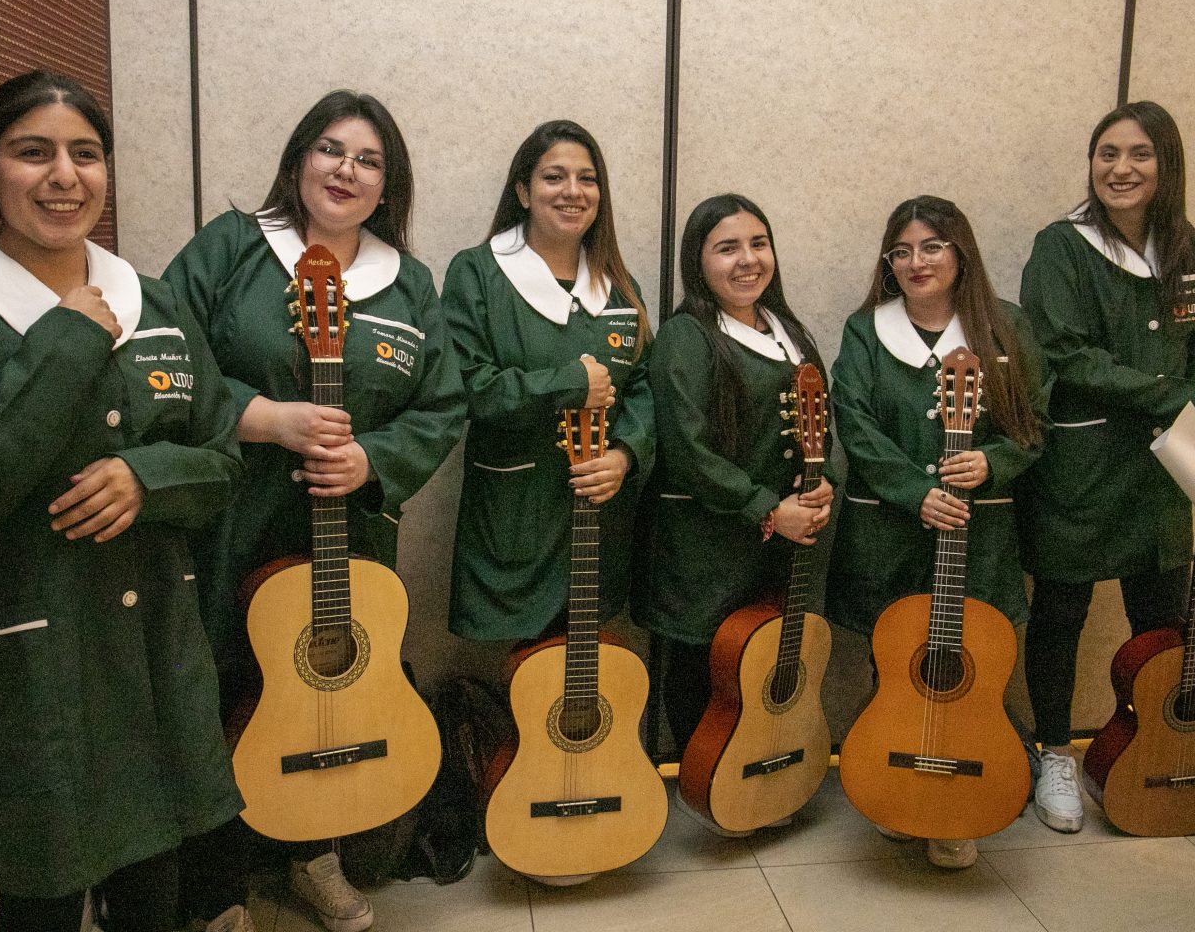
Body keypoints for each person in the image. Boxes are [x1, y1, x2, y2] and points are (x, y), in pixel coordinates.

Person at [0, 71, 253, 932]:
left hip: (158, 645)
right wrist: (67, 338)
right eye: (31, 152)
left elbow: (223, 456)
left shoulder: (152, 298)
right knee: (43, 895)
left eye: (85, 155)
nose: (64, 176)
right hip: (30, 659)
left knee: (156, 885)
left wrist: (147, 479)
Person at [162, 90, 464, 932]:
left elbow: (440, 407)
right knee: (223, 681)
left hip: (349, 527)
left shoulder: (409, 283)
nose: (347, 170)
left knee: (332, 679)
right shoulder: (230, 248)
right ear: (299, 159)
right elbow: (162, 364)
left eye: (369, 160)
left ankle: (312, 854)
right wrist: (265, 418)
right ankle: (217, 884)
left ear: (388, 184)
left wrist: (374, 458)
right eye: (331, 150)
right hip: (231, 515)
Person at [1018, 100, 1195, 834]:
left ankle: (1153, 747)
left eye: (1139, 154)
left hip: (1162, 471)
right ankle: (1054, 752)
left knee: (1162, 621)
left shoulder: (1182, 247)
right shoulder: (1062, 247)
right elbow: (1066, 356)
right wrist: (1181, 392)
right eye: (1107, 153)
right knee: (1061, 614)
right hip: (1079, 470)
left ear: (1166, 165)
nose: (1120, 168)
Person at [827, 195, 1047, 869]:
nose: (917, 262)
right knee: (893, 666)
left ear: (961, 251)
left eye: (932, 246)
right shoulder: (866, 330)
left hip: (978, 538)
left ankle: (963, 802)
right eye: (902, 250)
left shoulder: (1006, 327)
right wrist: (914, 492)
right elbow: (854, 424)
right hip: (889, 532)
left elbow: (1033, 424)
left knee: (973, 666)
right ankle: (894, 786)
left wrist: (995, 460)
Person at [632, 194, 831, 780]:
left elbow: (823, 426)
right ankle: (710, 786)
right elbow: (688, 451)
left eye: (758, 243)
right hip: (704, 545)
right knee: (706, 671)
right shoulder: (686, 336)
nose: (747, 260)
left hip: (779, 542)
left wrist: (821, 489)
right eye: (727, 248)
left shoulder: (789, 330)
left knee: (764, 661)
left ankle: (764, 776)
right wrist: (769, 507)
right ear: (699, 262)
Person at [440, 120, 654, 644]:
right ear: (522, 191)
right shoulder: (477, 273)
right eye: (554, 177)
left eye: (587, 178)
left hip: (599, 519)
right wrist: (567, 384)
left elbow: (646, 386)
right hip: (517, 515)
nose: (573, 192)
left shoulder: (621, 286)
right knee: (526, 680)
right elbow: (465, 384)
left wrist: (626, 454)